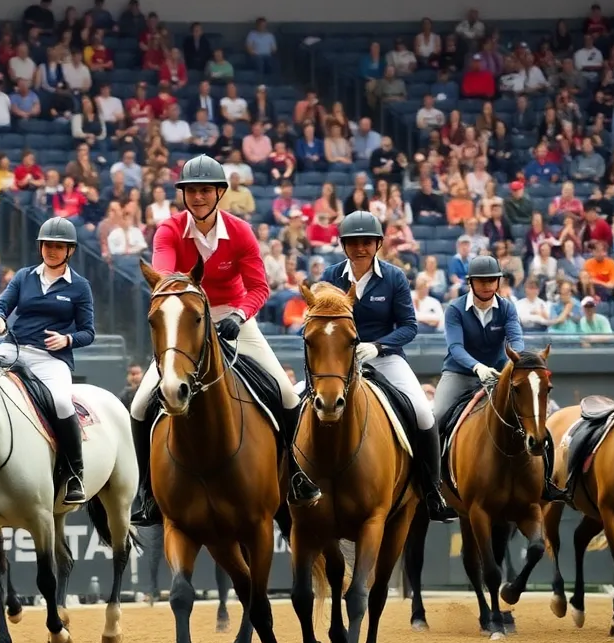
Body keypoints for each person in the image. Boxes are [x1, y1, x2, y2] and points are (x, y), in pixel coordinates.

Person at [128, 155, 322, 527]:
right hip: (186, 317)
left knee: (285, 393)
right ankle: (148, 491)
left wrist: (238, 316)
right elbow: (167, 279)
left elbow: (260, 287)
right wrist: (187, 305)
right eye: (191, 191)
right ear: (183, 195)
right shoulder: (168, 230)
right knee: (140, 405)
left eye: (205, 190)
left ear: (219, 193)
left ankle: (296, 473)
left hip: (232, 314)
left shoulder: (240, 231)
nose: (198, 197)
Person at [319, 211, 457, 522]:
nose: (360, 248)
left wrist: (377, 346)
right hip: (338, 363)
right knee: (298, 402)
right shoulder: (330, 277)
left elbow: (409, 327)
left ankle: (431, 491)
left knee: (424, 414)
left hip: (385, 357)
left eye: (366, 242)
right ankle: (295, 482)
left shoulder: (394, 277)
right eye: (353, 243)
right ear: (343, 245)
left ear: (378, 244)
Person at [430, 256, 566, 502]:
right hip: (459, 373)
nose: (487, 285)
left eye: (492, 280)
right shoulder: (455, 309)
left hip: (499, 375)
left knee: (533, 422)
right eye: (481, 281)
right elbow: (456, 348)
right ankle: (434, 487)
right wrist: (477, 367)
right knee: (437, 417)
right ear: (470, 283)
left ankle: (545, 483)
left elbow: (516, 342)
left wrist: (511, 367)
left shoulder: (507, 308)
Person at [0, 217, 96, 505]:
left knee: (61, 402)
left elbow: (89, 332)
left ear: (69, 251)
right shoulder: (25, 276)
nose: (51, 250)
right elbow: (1, 304)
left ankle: (74, 473)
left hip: (52, 358)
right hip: (15, 349)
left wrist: (68, 340)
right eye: (47, 245)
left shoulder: (80, 287)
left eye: (59, 246)